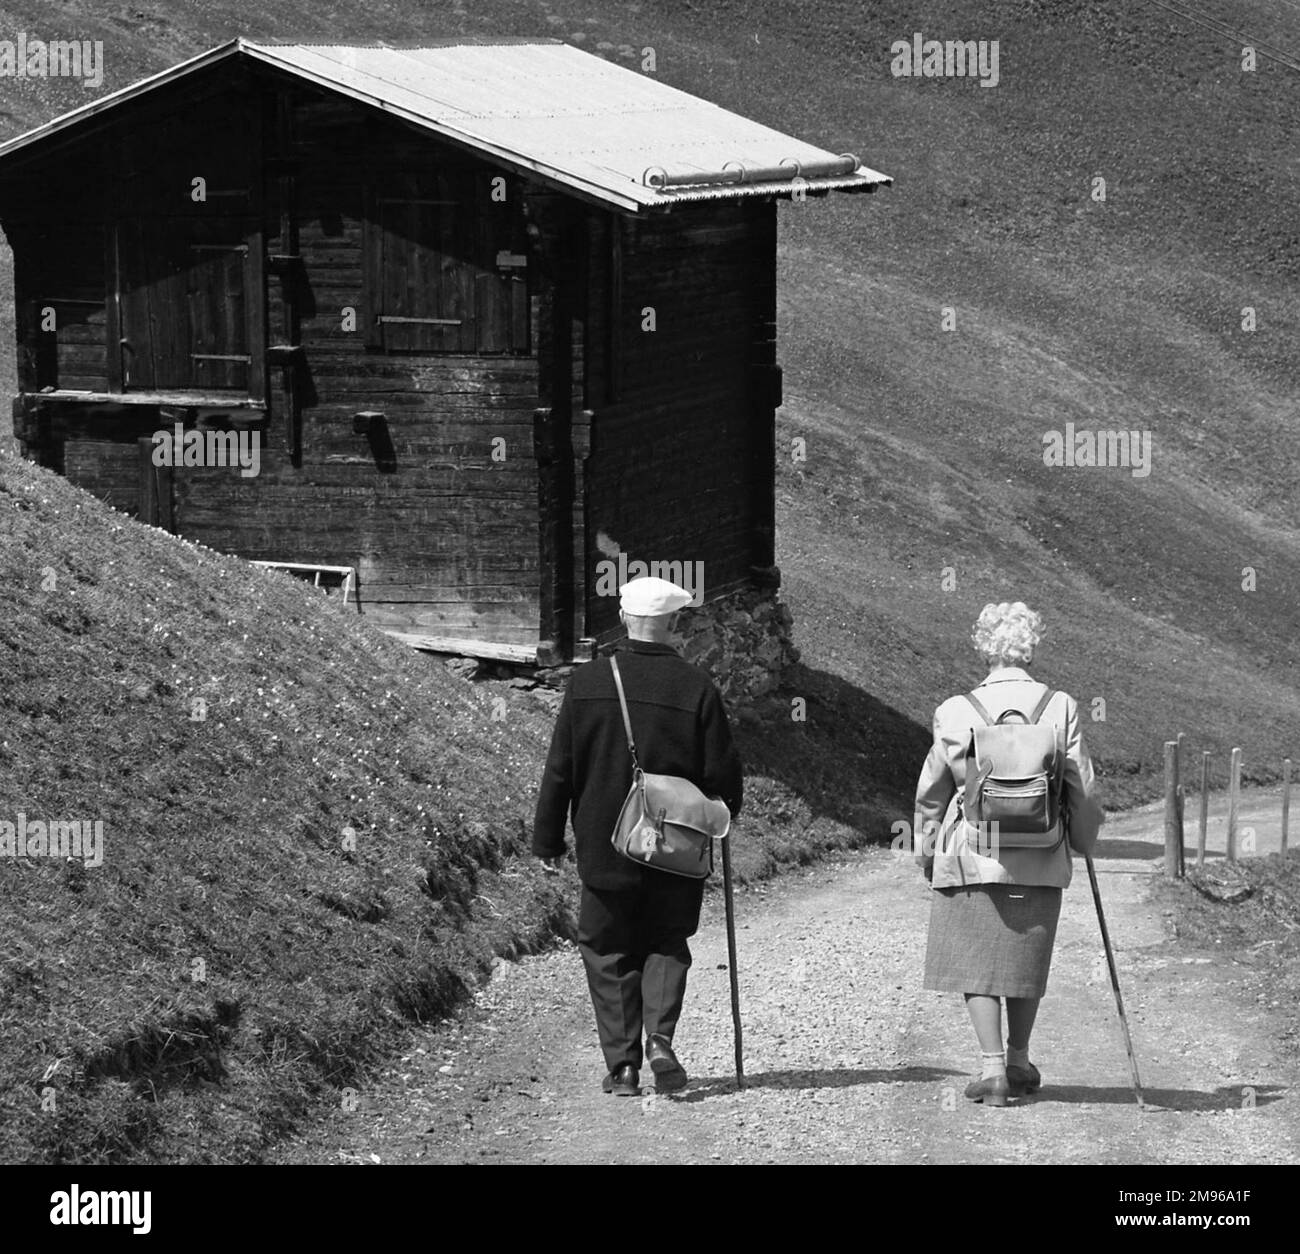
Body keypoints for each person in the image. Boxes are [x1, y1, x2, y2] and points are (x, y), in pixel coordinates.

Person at [533, 575, 744, 1096]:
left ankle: (623, 1066)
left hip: (607, 843)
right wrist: (715, 818)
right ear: (673, 623)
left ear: (625, 619)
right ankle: (661, 1042)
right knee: (666, 942)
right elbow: (724, 783)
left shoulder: (587, 684)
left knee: (606, 948)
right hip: (675, 849)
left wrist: (548, 840)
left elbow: (561, 769)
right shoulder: (697, 689)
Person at [914, 600, 1104, 1106]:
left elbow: (933, 788)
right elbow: (1078, 783)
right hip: (1041, 852)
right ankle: (1020, 1060)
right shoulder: (1059, 706)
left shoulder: (956, 710)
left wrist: (926, 848)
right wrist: (1084, 839)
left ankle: (992, 1069)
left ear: (984, 645)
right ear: (1031, 645)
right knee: (1025, 958)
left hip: (972, 851)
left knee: (974, 959)